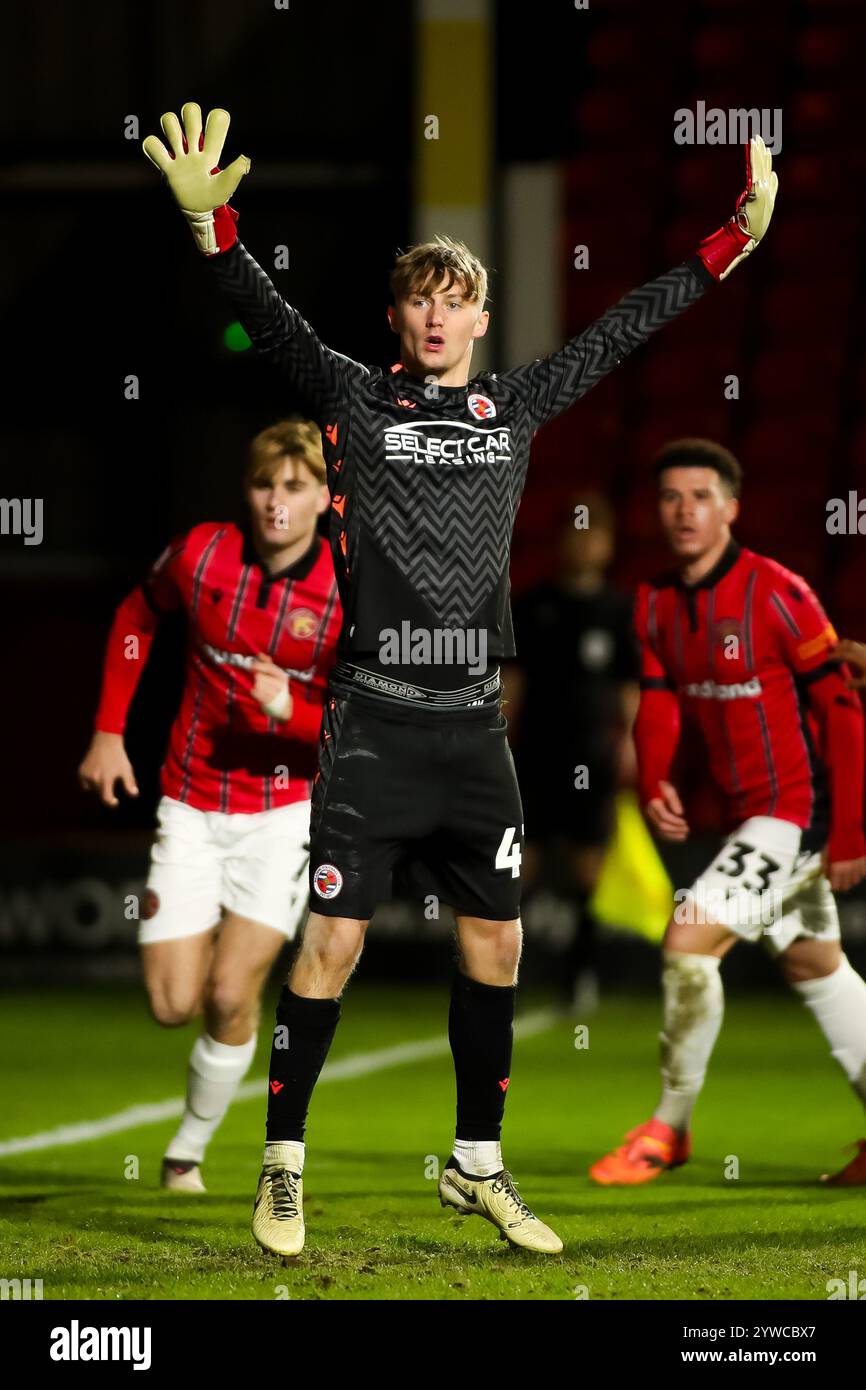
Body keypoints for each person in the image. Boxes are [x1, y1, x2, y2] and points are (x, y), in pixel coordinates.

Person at [141, 102, 776, 1256]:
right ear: (397, 318)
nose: (436, 316)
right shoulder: (353, 397)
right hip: (373, 725)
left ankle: (476, 1164)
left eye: (455, 300)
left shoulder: (511, 404)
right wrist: (211, 232)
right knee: (331, 947)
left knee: (498, 947)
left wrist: (731, 240)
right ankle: (280, 1166)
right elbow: (270, 321)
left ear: (481, 318)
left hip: (474, 731)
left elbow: (623, 330)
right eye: (418, 300)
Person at [589, 439, 866, 1188]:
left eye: (702, 496)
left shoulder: (778, 592)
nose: (685, 511)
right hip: (748, 817)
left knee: (687, 940)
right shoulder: (653, 601)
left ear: (732, 508)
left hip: (797, 812)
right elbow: (658, 699)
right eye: (671, 497)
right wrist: (654, 778)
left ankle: (668, 1129)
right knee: (817, 966)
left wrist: (849, 830)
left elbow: (841, 710)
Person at [79, 420, 340, 1191]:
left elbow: (365, 722)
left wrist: (291, 712)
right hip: (190, 804)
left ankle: (186, 1151)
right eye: (264, 484)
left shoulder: (350, 590)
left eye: (295, 486)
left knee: (230, 993)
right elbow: (136, 616)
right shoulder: (202, 554)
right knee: (171, 1004)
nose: (276, 501)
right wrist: (107, 732)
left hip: (284, 813)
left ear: (325, 499)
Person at [503, 496, 639, 1010]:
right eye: (577, 533)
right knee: (522, 864)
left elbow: (629, 687)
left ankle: (581, 974)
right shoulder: (532, 606)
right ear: (561, 540)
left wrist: (631, 743)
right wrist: (500, 740)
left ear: (608, 545)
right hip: (536, 752)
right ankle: (506, 970)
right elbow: (512, 682)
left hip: (593, 753)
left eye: (594, 535)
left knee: (588, 867)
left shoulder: (618, 611)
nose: (584, 544)